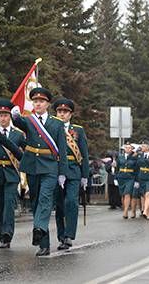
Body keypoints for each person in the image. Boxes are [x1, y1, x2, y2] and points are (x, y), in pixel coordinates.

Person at [10, 87, 69, 256]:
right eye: (35, 101)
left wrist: (62, 172)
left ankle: (39, 228)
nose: (38, 104)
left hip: (50, 166)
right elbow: (19, 123)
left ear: (47, 104)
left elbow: (62, 150)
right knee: (36, 202)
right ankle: (44, 243)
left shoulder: (57, 123)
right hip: (32, 166)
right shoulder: (29, 120)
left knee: (45, 199)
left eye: (41, 101)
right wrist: (15, 116)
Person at [52, 98, 89, 249]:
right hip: (56, 170)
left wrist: (85, 175)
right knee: (59, 205)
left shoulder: (78, 130)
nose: (62, 114)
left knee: (71, 202)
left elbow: (84, 154)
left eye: (65, 112)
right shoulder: (51, 128)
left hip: (73, 170)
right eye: (59, 111)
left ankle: (69, 235)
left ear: (70, 114)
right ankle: (61, 236)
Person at [0, 99, 24, 249]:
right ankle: (2, 233)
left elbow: (23, 155)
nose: (3, 118)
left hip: (11, 172)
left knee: (9, 203)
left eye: (5, 115)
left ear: (10, 116)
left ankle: (7, 233)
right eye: (0, 115)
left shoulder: (18, 134)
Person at [133, 142, 149, 220]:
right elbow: (136, 167)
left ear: (148, 147)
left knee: (148, 194)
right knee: (144, 195)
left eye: (143, 146)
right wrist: (136, 180)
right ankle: (148, 212)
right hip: (141, 176)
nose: (141, 147)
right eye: (141, 146)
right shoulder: (139, 155)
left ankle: (145, 211)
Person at [116, 144, 138, 219]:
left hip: (130, 177)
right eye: (126, 148)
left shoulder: (134, 157)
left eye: (129, 148)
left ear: (132, 149)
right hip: (121, 177)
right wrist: (116, 178)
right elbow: (117, 168)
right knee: (122, 194)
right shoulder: (120, 157)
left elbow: (136, 169)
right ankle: (125, 208)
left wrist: (136, 180)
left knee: (127, 193)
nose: (127, 149)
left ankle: (125, 211)